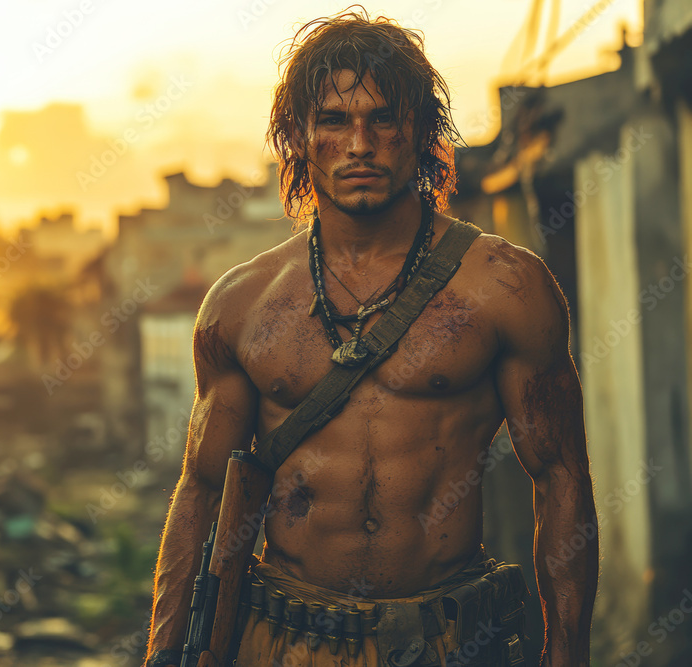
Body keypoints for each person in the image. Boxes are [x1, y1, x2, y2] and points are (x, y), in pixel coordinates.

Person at [145, 7, 597, 666]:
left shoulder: (506, 287)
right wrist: (164, 652)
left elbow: (561, 476)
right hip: (284, 642)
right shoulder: (242, 306)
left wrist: (568, 652)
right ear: (298, 137)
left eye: (383, 119)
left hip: (445, 641)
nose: (360, 143)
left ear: (422, 133)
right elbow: (200, 488)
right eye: (333, 120)